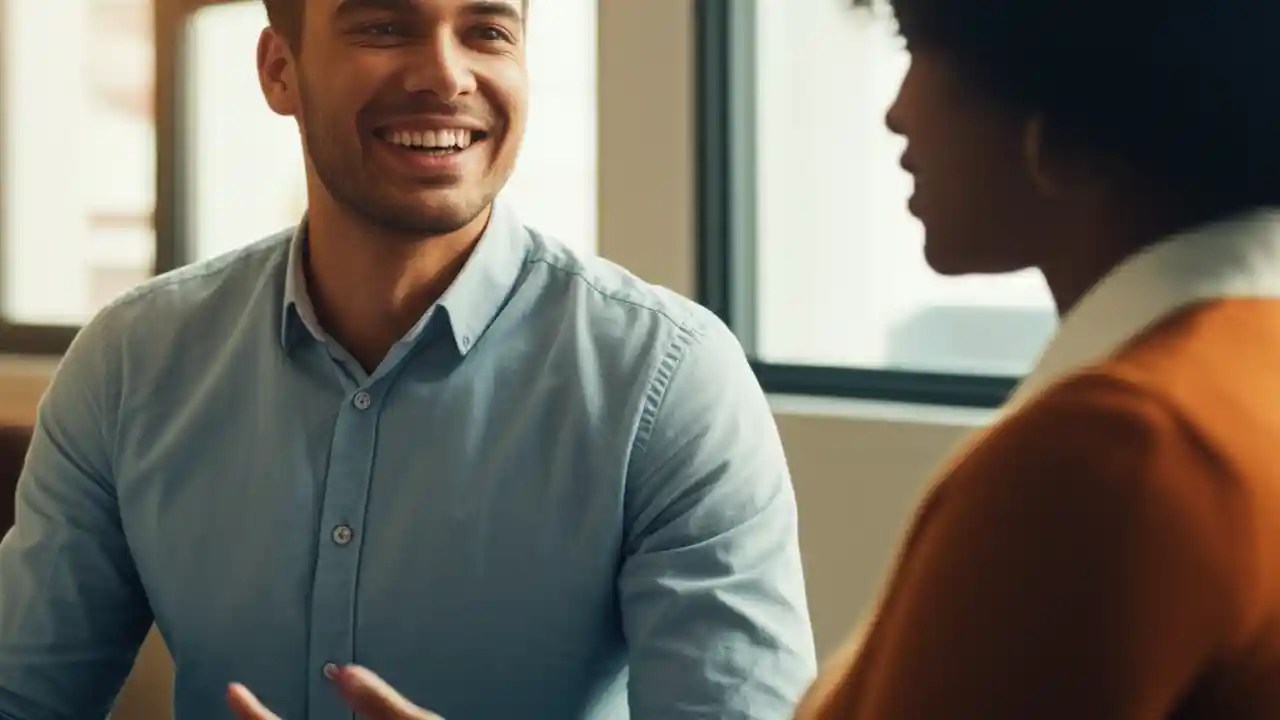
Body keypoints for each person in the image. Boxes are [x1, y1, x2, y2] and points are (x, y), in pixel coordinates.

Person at [0, 1, 817, 718]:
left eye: (487, 31)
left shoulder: (667, 381)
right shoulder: (130, 363)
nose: (447, 75)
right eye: (385, 27)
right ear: (280, 71)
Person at [798, 0, 1280, 718]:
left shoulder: (1115, 448)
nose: (896, 113)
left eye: (916, 48)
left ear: (1066, 126)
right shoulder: (1236, 372)